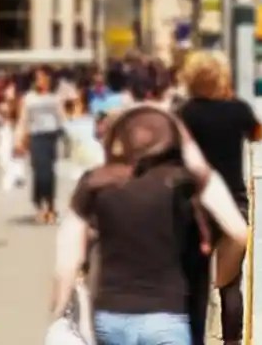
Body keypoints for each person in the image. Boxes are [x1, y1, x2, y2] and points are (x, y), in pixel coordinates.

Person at [51, 106, 248, 345]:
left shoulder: (95, 182)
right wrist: (220, 278)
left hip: (111, 317)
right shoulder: (184, 181)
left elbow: (68, 258)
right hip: (167, 318)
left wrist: (59, 311)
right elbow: (238, 234)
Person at [176, 50, 262, 345]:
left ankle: (194, 339)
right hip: (234, 203)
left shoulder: (186, 112)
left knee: (196, 280)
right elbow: (259, 134)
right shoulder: (237, 109)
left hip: (197, 205)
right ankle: (231, 341)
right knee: (231, 284)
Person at [18, 66, 68, 224]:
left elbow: (61, 116)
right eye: (37, 77)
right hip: (36, 136)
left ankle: (51, 206)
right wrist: (19, 138)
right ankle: (39, 205)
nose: (40, 80)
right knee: (39, 172)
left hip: (51, 136)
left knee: (49, 173)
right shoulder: (28, 98)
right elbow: (23, 119)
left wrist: (68, 135)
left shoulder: (55, 97)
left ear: (48, 79)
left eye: (43, 77)